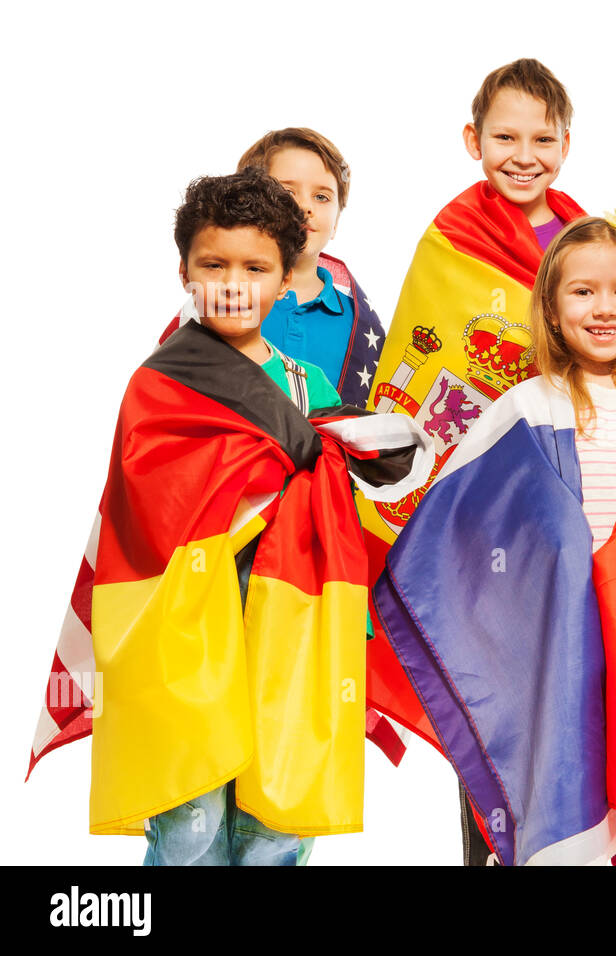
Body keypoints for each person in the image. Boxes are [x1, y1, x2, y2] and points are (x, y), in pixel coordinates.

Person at [361, 58, 616, 865]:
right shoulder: (450, 244)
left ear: (566, 144)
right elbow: (428, 376)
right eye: (504, 136)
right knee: (515, 736)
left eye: (542, 137)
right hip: (514, 545)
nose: (523, 153)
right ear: (474, 139)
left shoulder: (579, 236)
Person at [27, 169, 431, 864]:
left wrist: (342, 462)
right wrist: (282, 471)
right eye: (214, 265)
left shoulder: (310, 388)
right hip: (184, 625)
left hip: (290, 614)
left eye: (255, 267)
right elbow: (149, 505)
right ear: (184, 271)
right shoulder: (162, 383)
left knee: (276, 821)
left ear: (284, 278)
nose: (234, 283)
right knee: (191, 817)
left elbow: (352, 485)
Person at [159, 128, 386, 407]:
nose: (305, 207)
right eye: (287, 192)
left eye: (322, 197)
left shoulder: (360, 324)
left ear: (337, 220)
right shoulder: (221, 306)